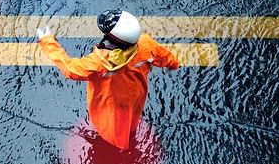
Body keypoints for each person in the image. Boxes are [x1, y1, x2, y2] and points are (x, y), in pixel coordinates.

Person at [36, 9, 180, 150]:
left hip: (112, 105)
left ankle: (119, 149)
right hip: (136, 98)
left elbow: (71, 70)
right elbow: (164, 56)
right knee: (132, 122)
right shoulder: (146, 44)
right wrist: (172, 65)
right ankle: (129, 136)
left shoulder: (98, 62)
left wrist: (48, 43)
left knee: (113, 132)